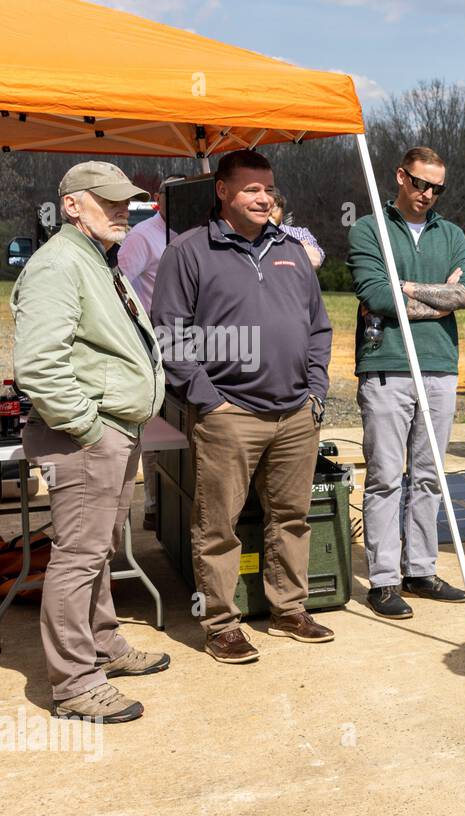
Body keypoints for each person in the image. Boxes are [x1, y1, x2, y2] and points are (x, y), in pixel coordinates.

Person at [152, 148, 335, 664]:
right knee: (219, 525)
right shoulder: (188, 252)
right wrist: (208, 399)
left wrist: (316, 390)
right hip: (229, 414)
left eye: (269, 188)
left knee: (292, 517)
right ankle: (221, 623)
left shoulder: (292, 251)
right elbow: (169, 333)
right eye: (251, 188)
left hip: (296, 412)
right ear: (223, 191)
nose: (264, 197)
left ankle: (289, 609)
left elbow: (318, 325)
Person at [11, 161, 169, 723]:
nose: (123, 208)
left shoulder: (97, 259)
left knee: (96, 548)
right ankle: (76, 684)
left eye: (127, 200)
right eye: (109, 200)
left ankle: (104, 645)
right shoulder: (58, 264)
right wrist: (88, 426)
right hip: (84, 438)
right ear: (72, 205)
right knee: (77, 558)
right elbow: (38, 366)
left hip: (110, 431)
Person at [346, 146, 465, 619]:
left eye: (437, 188)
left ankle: (421, 569)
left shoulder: (452, 232)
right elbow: (377, 296)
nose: (427, 194)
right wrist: (431, 297)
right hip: (387, 366)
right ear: (400, 177)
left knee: (430, 475)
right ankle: (383, 580)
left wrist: (411, 289)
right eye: (420, 183)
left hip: (440, 368)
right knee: (383, 476)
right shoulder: (368, 228)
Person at [118, 172, 183, 532]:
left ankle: (181, 503)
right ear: (159, 199)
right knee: (156, 428)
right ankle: (155, 505)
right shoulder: (142, 237)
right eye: (170, 196)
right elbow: (122, 287)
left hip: (196, 344)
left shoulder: (199, 235)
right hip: (153, 346)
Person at [268, 189, 324, 270]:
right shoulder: (253, 234)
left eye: (273, 208)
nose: (270, 213)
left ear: (282, 210)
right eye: (266, 208)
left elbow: (316, 260)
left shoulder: (300, 233)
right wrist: (298, 248)